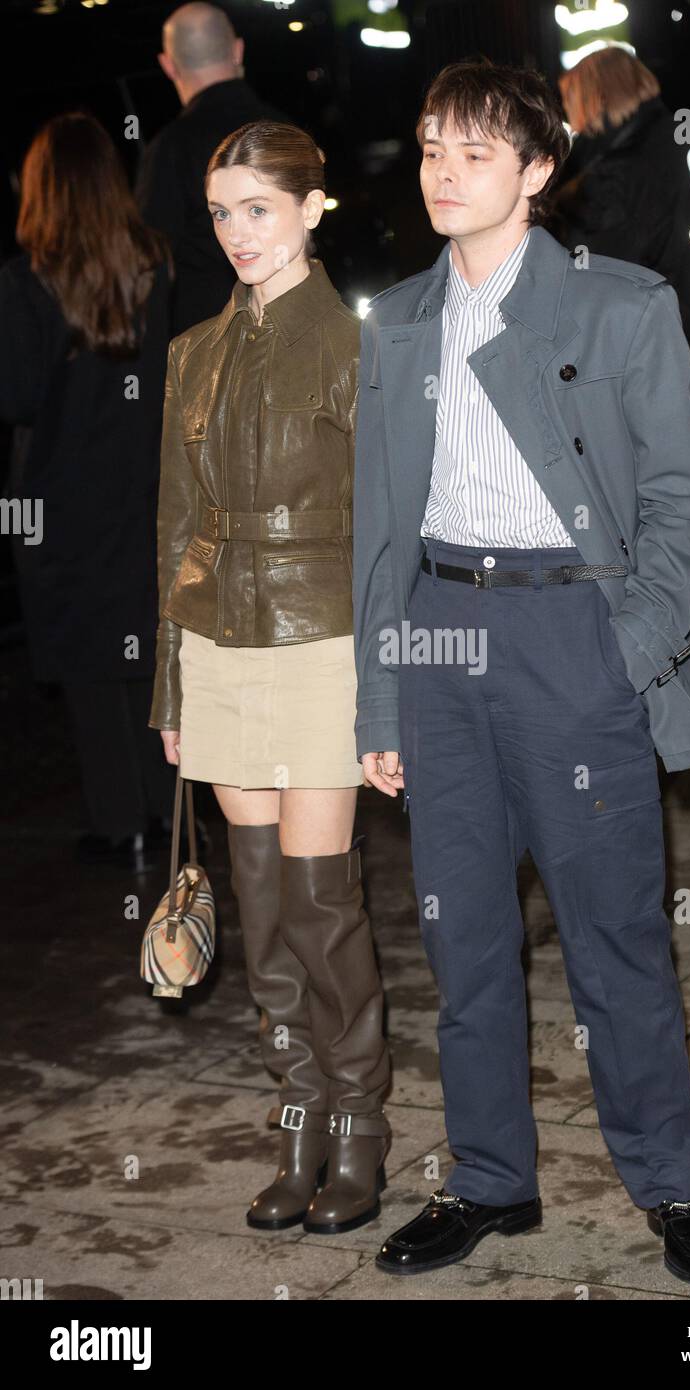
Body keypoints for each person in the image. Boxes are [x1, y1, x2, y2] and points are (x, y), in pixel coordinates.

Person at [352, 58, 690, 1283]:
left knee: (613, 938)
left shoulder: (621, 308)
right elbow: (372, 532)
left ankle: (673, 1184)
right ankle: (485, 1181)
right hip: (438, 638)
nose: (443, 174)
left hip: (572, 638)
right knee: (460, 941)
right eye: (428, 149)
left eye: (473, 153)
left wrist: (626, 647)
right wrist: (381, 698)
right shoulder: (396, 320)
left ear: (535, 172)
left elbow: (682, 505)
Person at [147, 118, 391, 1234]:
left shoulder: (354, 343)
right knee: (255, 902)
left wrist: (390, 688)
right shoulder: (191, 352)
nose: (239, 232)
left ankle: (358, 1123)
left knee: (319, 898)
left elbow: (389, 533)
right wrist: (168, 693)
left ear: (310, 205)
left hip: (320, 642)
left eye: (258, 207)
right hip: (216, 647)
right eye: (221, 214)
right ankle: (296, 1108)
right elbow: (172, 530)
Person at [0, 111, 176, 871]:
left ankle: (119, 824)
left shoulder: (25, 277)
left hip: (58, 501)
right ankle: (168, 820)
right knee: (143, 653)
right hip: (141, 488)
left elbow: (17, 398)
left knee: (85, 666)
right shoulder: (154, 263)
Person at [551, 44, 690, 640]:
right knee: (687, 514)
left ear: (594, 98)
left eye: (572, 105)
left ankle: (668, 657)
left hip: (675, 376)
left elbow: (598, 282)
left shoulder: (626, 169)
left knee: (660, 530)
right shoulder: (687, 142)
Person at [135, 1, 287, 335]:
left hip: (208, 347)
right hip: (294, 331)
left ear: (168, 65)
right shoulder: (287, 131)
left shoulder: (169, 150)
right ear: (238, 50)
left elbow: (148, 264)